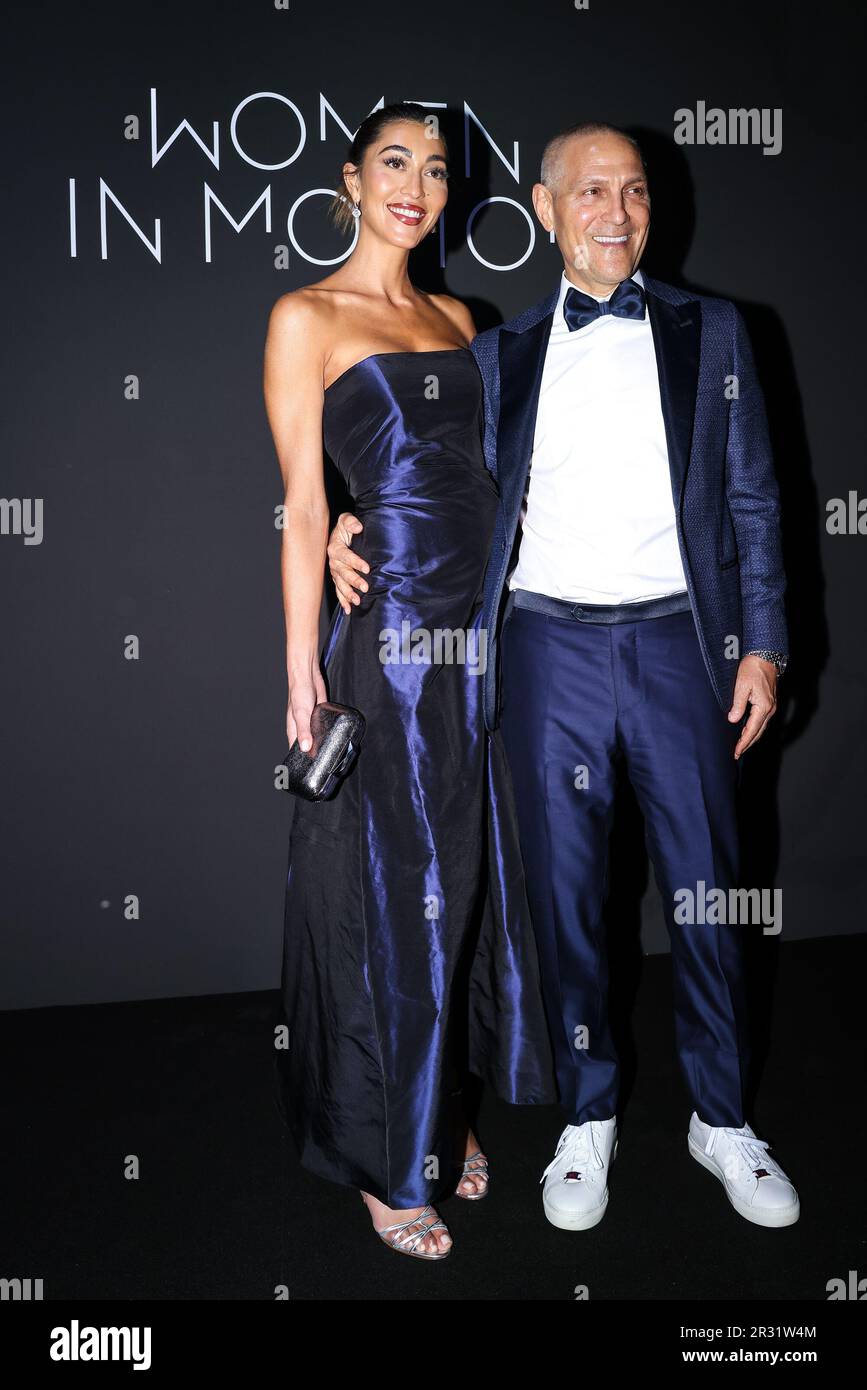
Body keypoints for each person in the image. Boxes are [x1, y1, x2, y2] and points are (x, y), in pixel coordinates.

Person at [328, 122, 800, 1232]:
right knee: (568, 907)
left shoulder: (716, 331)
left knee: (710, 893)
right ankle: (589, 1116)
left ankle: (722, 1118)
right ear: (547, 210)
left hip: (686, 644)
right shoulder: (500, 353)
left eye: (633, 191)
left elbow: (754, 500)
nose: (616, 213)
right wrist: (352, 518)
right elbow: (413, 463)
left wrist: (766, 644)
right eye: (591, 192)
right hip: (545, 647)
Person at [263, 102, 556, 1262]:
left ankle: (445, 1108)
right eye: (396, 162)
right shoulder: (307, 314)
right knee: (398, 898)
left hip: (488, 637)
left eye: (437, 170)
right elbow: (298, 501)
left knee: (472, 884)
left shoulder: (462, 316)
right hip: (387, 645)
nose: (417, 186)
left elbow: (487, 476)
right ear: (350, 177)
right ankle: (396, 1154)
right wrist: (301, 673)